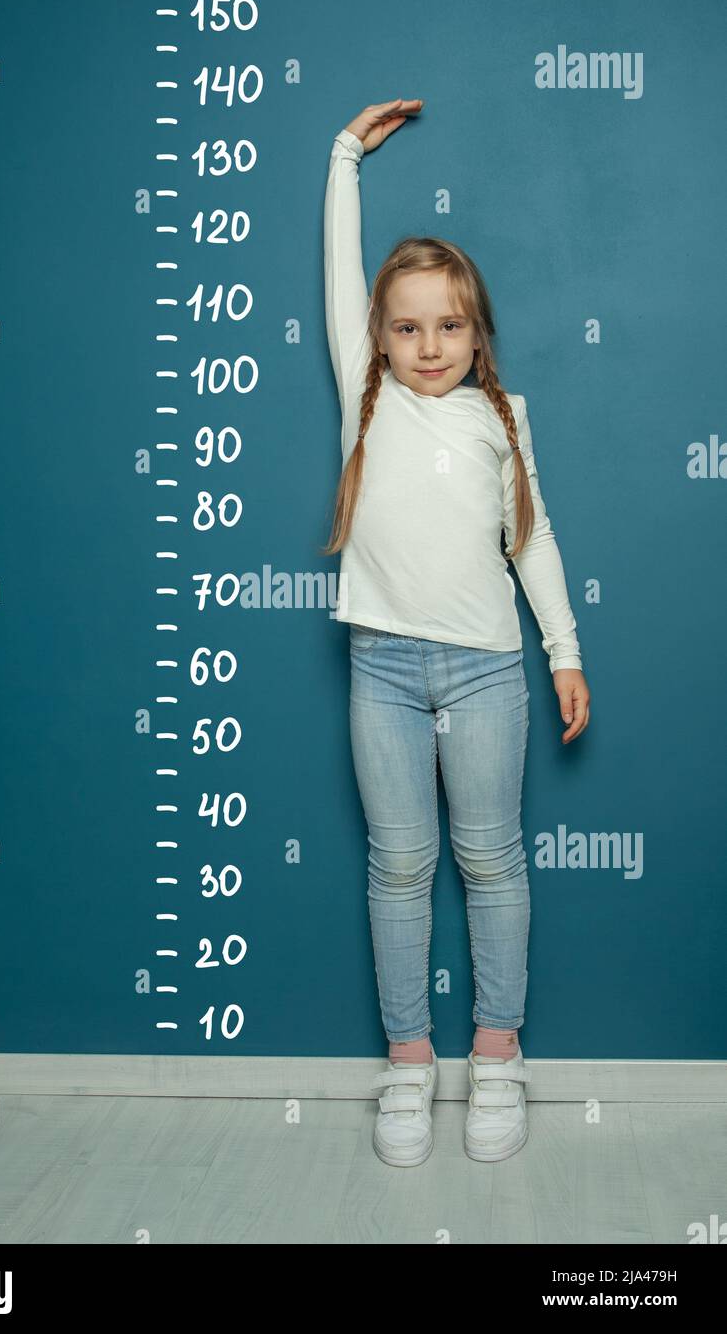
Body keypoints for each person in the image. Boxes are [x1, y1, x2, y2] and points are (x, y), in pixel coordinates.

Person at [321, 98, 591, 1167]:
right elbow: (339, 271)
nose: (424, 345)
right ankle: (406, 1064)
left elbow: (533, 540)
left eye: (446, 325)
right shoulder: (365, 394)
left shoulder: (500, 417)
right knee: (398, 865)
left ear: (475, 334)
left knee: (489, 861)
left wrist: (562, 649)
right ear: (378, 336)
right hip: (380, 667)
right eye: (404, 325)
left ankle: (496, 1053)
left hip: (485, 671)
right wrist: (344, 156)